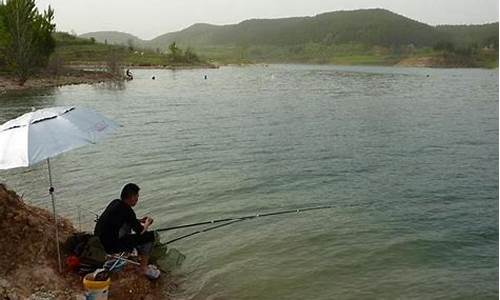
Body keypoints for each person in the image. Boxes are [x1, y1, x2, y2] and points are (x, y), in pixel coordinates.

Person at [94, 183, 159, 278]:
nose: (137, 200)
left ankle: (131, 252)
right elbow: (141, 231)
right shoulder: (128, 210)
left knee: (127, 225)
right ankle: (143, 268)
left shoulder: (115, 202)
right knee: (150, 236)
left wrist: (140, 220)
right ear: (131, 197)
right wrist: (147, 222)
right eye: (137, 198)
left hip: (99, 241)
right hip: (110, 246)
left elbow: (124, 219)